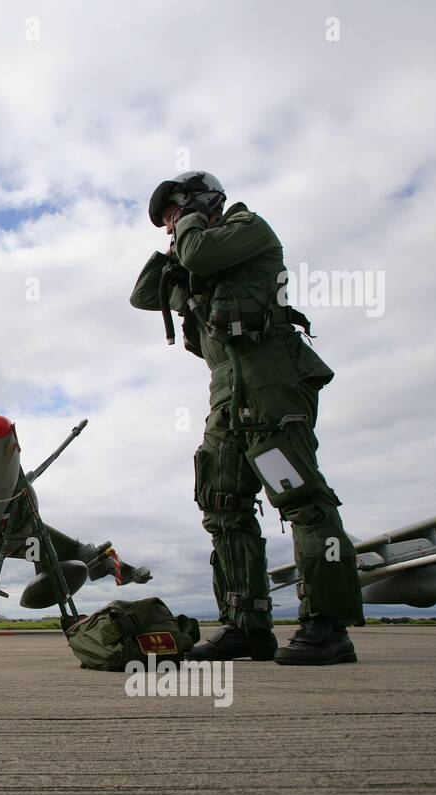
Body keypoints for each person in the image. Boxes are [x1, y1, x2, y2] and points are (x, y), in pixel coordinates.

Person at [129, 171, 363, 664]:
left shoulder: (248, 228)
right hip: (227, 396)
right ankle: (246, 625)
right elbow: (144, 295)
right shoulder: (193, 254)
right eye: (168, 220)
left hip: (271, 382)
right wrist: (171, 245)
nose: (173, 225)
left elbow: (199, 254)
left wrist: (189, 226)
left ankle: (327, 625)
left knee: (299, 497)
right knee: (223, 503)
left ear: (204, 200)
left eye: (176, 211)